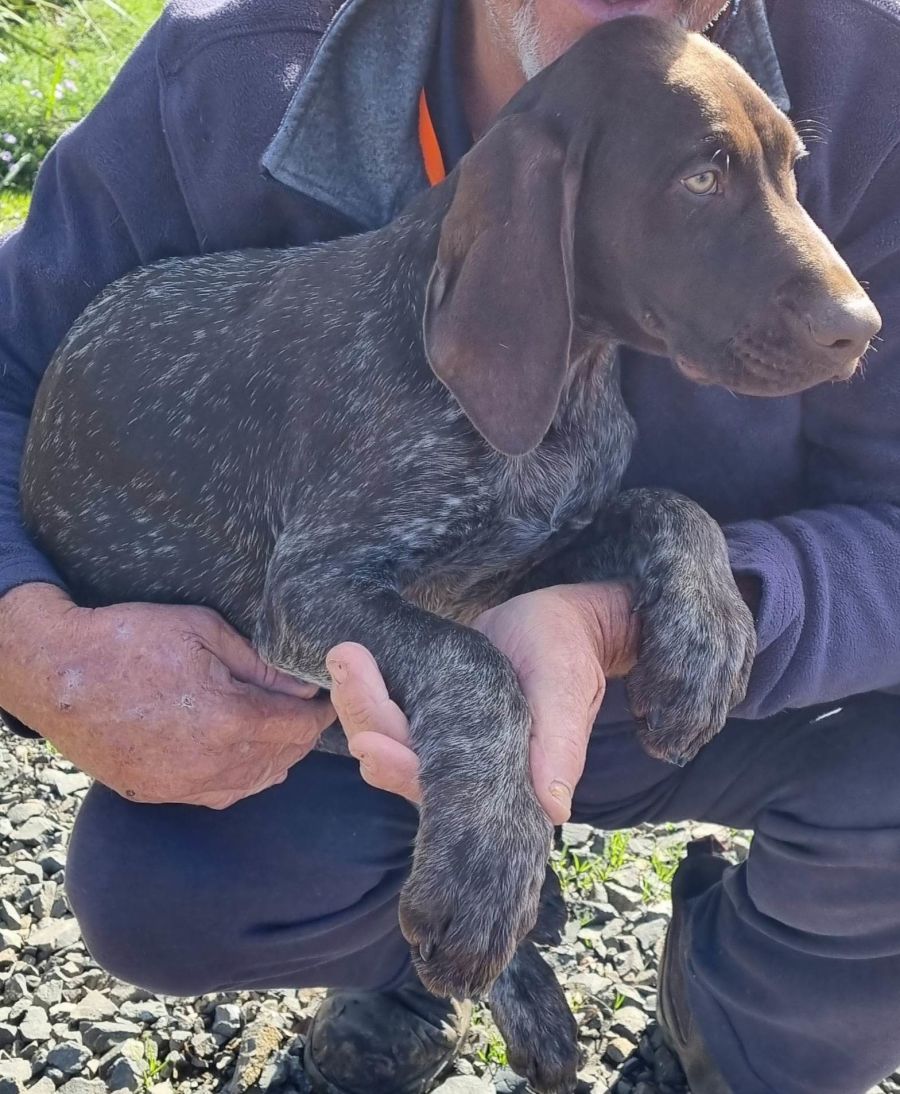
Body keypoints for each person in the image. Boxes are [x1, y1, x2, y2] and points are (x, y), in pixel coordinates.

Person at [1, 0, 900, 1090]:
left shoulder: (872, 74)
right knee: (162, 889)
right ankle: (444, 948)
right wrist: (32, 642)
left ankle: (732, 1042)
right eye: (703, 172)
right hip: (348, 708)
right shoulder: (223, 71)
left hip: (667, 698)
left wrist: (638, 605)